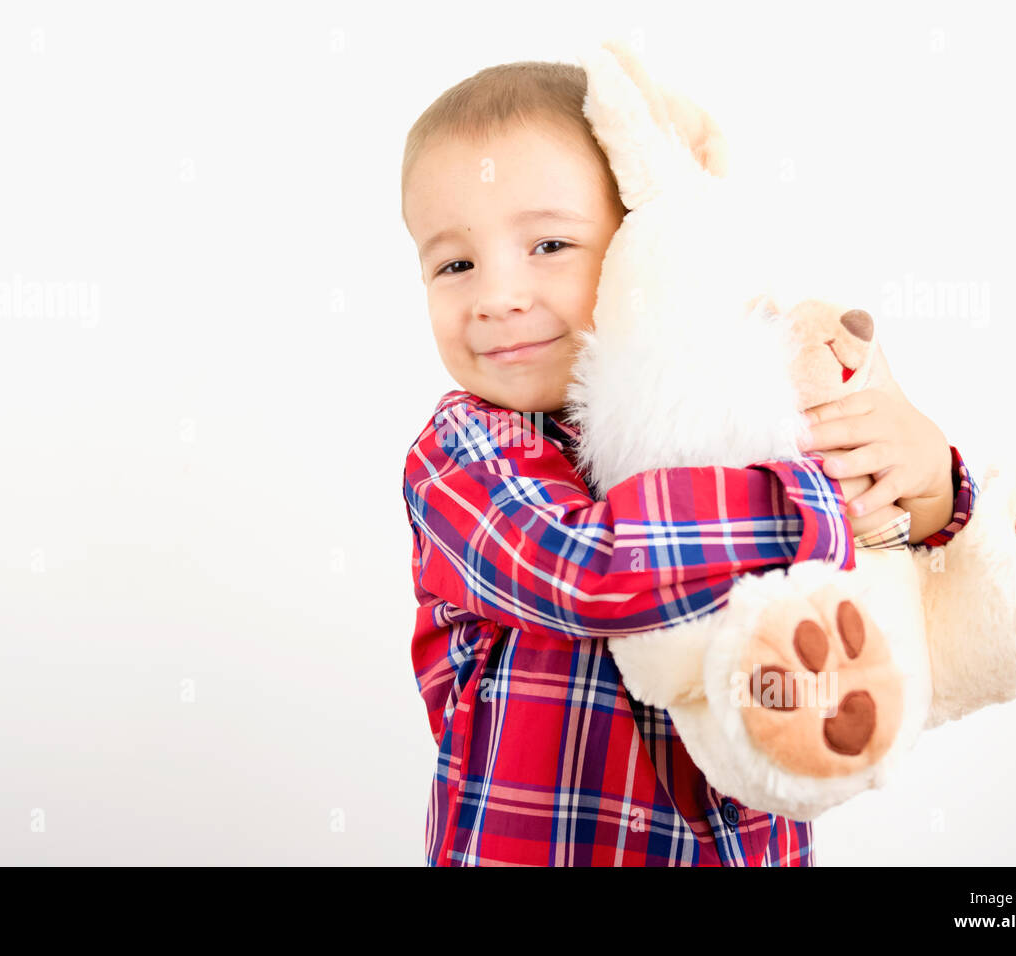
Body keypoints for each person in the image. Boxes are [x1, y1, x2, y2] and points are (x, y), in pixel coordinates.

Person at [399, 58, 975, 866]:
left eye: (550, 244)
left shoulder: (726, 405)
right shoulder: (464, 451)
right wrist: (816, 499)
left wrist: (923, 474)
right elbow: (586, 568)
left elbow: (889, 562)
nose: (497, 295)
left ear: (637, 239)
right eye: (454, 263)